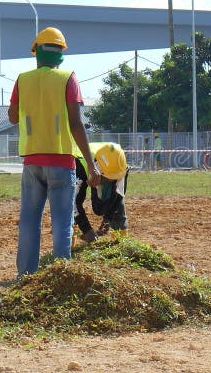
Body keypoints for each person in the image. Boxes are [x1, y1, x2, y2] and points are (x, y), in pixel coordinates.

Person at [8, 27, 100, 277]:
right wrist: (91, 165)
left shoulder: (22, 80)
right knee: (62, 223)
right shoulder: (68, 78)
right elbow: (76, 123)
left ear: (36, 52)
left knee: (29, 222)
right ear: (61, 54)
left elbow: (13, 116)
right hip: (61, 162)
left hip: (32, 161)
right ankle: (61, 277)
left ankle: (25, 277)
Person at [75, 142, 129, 242]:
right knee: (68, 212)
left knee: (118, 209)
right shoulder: (79, 165)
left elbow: (119, 195)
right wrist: (87, 230)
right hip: (84, 167)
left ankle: (121, 243)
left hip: (102, 172)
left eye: (114, 179)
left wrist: (108, 217)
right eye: (108, 179)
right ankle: (66, 249)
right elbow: (73, 202)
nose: (111, 181)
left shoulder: (119, 165)